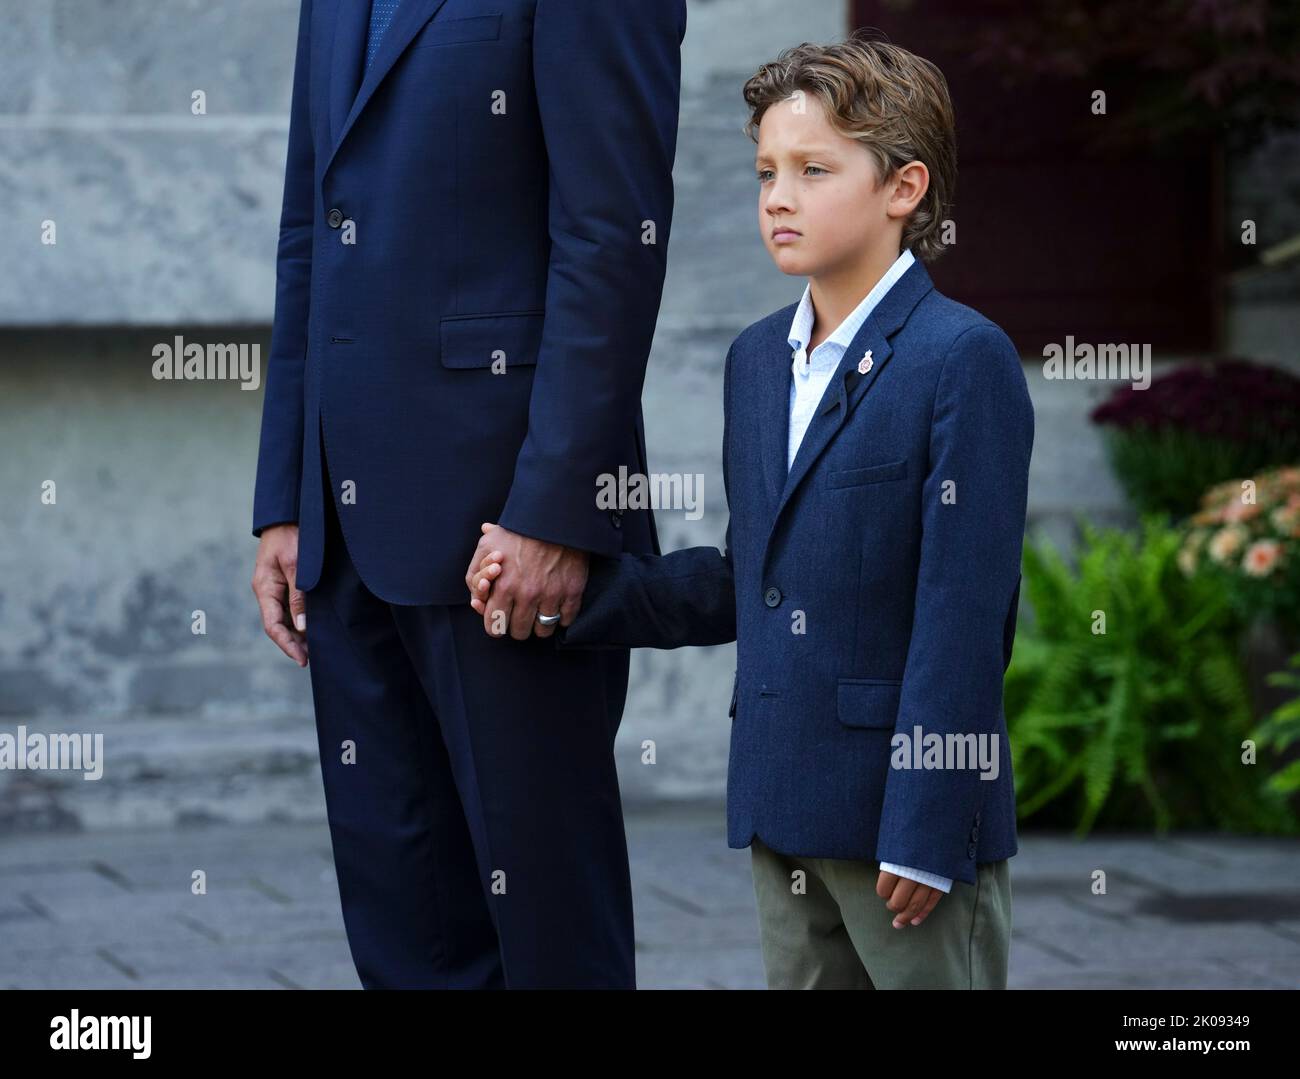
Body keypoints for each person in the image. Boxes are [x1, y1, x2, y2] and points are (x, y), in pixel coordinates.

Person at [471, 33, 1033, 990]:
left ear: (904, 188)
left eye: (815, 169)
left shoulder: (961, 359)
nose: (779, 195)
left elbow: (964, 616)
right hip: (782, 804)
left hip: (906, 830)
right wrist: (574, 594)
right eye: (767, 169)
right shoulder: (755, 361)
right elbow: (752, 577)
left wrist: (931, 821)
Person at [250, 0, 687, 989]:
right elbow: (306, 232)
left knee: (548, 938)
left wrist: (555, 511)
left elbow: (611, 234)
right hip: (344, 523)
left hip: (509, 524)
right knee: (407, 937)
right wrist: (286, 495)